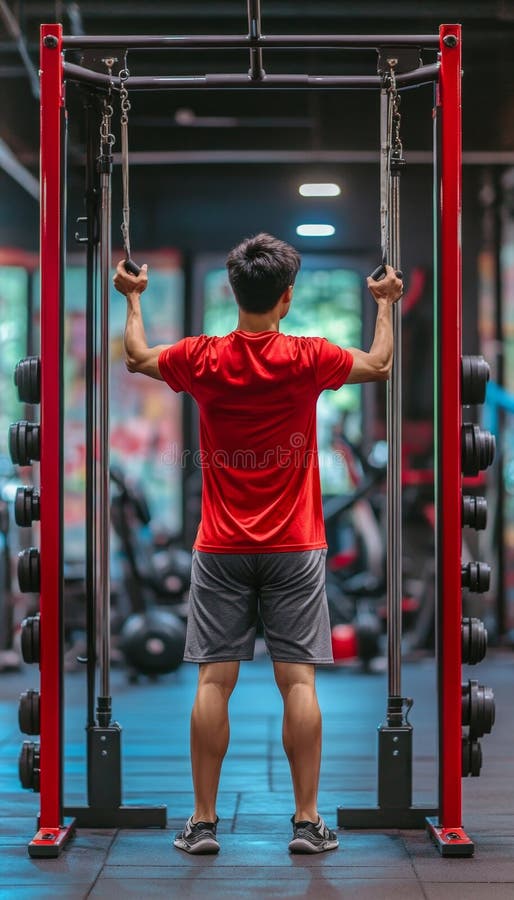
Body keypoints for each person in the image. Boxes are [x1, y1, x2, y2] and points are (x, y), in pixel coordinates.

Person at [113, 233, 402, 856]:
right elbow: (379, 363)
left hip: (220, 547)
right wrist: (385, 301)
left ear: (233, 292)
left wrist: (133, 298)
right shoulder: (305, 356)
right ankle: (305, 823)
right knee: (298, 683)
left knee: (213, 683)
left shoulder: (204, 356)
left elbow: (135, 356)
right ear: (287, 298)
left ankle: (203, 824)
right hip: (296, 546)